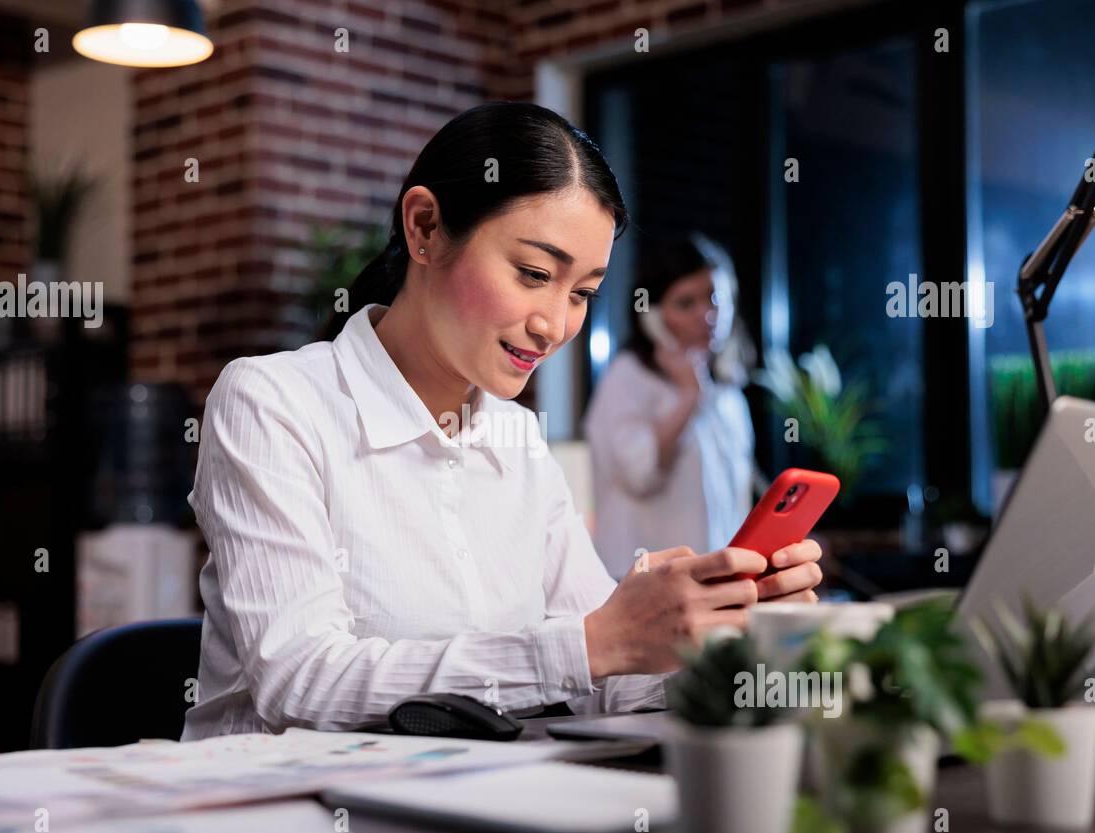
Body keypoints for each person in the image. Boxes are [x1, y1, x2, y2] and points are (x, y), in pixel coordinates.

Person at [181, 103, 820, 739]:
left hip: (461, 806)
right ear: (425, 227)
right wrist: (593, 645)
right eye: (534, 274)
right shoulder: (272, 402)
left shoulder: (517, 439)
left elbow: (608, 675)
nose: (553, 324)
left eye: (581, 293)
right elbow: (301, 681)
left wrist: (727, 632)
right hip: (285, 819)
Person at [584, 234, 759, 580]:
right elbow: (641, 474)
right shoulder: (627, 378)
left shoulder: (726, 392)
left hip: (715, 582)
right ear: (652, 316)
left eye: (714, 297)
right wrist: (687, 398)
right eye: (685, 303)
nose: (707, 315)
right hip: (644, 584)